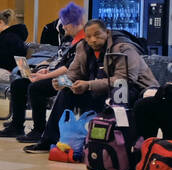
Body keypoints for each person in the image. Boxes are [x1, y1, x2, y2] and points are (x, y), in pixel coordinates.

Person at [24, 18, 158, 153]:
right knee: (66, 93)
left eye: (97, 35)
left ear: (107, 32)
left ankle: (109, 144)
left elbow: (124, 79)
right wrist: (62, 81)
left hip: (132, 91)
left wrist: (88, 85)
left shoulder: (123, 48)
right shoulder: (82, 46)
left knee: (112, 95)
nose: (93, 40)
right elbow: (73, 73)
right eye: (88, 36)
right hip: (99, 88)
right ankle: (49, 140)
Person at [0, 3, 86, 140]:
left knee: (36, 88)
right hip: (57, 74)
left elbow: (68, 68)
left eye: (65, 24)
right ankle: (17, 126)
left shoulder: (82, 42)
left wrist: (45, 76)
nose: (63, 27)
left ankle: (39, 130)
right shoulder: (68, 40)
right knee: (18, 84)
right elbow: (58, 60)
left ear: (73, 23)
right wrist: (44, 70)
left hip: (71, 79)